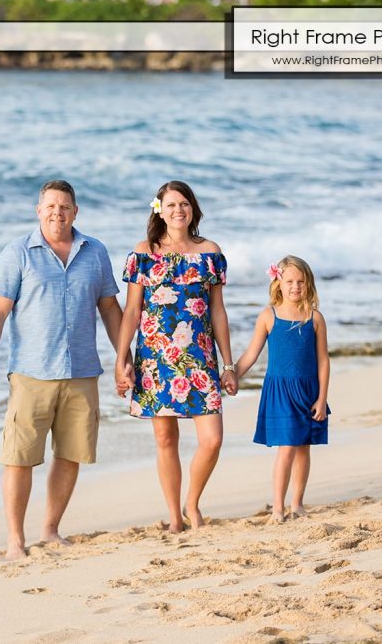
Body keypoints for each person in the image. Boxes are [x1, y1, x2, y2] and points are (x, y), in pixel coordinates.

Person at [0, 180, 129, 560]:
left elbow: (109, 309)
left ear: (76, 212)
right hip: (31, 372)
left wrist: (125, 360)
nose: (57, 212)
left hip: (82, 371)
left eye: (65, 207)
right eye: (51, 206)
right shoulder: (18, 253)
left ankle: (51, 529)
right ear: (38, 210)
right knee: (19, 456)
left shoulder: (95, 252)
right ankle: (14, 539)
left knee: (71, 453)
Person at [115, 181, 236, 532]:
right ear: (160, 210)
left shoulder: (210, 252)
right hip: (155, 359)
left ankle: (192, 503)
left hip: (200, 358)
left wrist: (228, 365)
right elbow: (132, 311)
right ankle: (173, 516)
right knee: (165, 439)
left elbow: (218, 313)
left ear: (193, 209)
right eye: (171, 205)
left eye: (184, 204)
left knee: (212, 440)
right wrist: (121, 359)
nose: (178, 210)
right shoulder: (144, 253)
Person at [233, 255, 330, 524]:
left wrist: (322, 398)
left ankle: (297, 504)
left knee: (303, 448)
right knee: (286, 448)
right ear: (278, 282)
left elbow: (323, 360)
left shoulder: (315, 318)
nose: (295, 287)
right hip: (280, 392)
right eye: (289, 281)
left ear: (308, 284)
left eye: (300, 282)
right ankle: (277, 507)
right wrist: (232, 374)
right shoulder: (269, 315)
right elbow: (252, 354)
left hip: (308, 391)